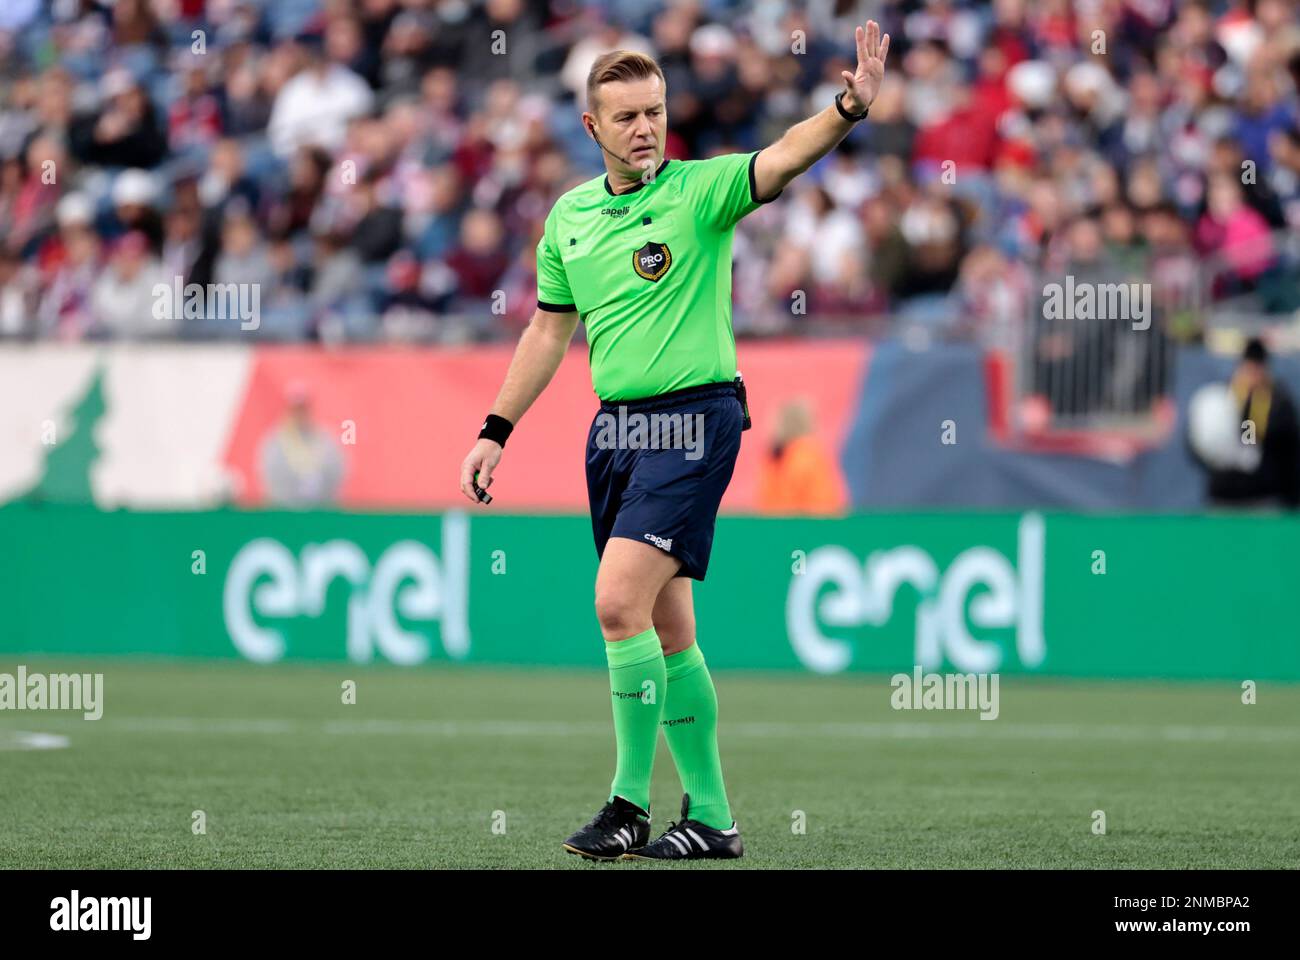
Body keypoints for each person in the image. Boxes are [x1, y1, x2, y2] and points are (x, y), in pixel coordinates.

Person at [458, 22, 891, 861]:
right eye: (625, 117)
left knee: (615, 600)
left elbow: (781, 158)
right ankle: (716, 817)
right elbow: (548, 335)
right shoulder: (569, 219)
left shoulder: (701, 193)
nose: (645, 128)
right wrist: (494, 430)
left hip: (693, 421)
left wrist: (845, 108)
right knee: (667, 633)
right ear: (592, 128)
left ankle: (628, 803)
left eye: (654, 111)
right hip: (616, 432)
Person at [1196, 338, 1300, 509]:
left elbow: (1259, 442)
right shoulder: (1225, 397)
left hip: (1266, 495)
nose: (1252, 375)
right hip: (1226, 493)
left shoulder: (1278, 401)